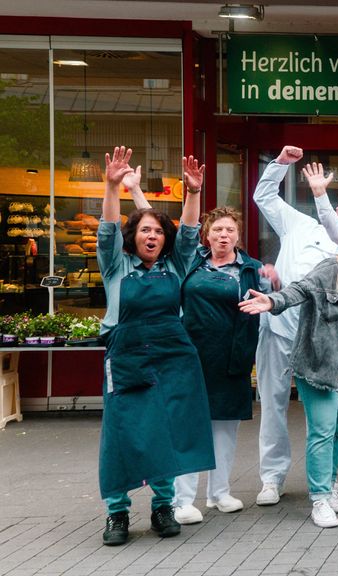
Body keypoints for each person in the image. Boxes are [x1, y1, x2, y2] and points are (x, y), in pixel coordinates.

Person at [96, 147, 213, 546]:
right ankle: (117, 512)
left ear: (166, 240)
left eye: (159, 231)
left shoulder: (175, 266)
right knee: (122, 434)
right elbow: (109, 226)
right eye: (145, 230)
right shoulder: (116, 265)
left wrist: (193, 194)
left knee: (167, 429)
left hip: (172, 359)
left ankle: (164, 506)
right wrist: (112, 186)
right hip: (126, 357)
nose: (152, 235)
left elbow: (191, 234)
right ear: (135, 236)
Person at [240, 219, 338, 528]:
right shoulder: (333, 268)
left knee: (337, 429)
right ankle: (319, 499)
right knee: (321, 430)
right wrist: (273, 301)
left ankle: (329, 485)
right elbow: (300, 289)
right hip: (320, 362)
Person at [253, 146, 338, 508]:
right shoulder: (298, 223)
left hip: (317, 337)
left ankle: (322, 478)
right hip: (278, 328)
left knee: (319, 413)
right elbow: (263, 196)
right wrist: (280, 164)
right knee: (273, 404)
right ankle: (271, 478)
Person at [172, 207, 268, 525]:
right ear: (207, 234)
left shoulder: (252, 270)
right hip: (190, 357)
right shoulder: (190, 260)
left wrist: (274, 282)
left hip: (231, 358)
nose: (223, 235)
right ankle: (182, 499)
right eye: (217, 230)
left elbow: (270, 303)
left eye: (229, 230)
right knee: (188, 427)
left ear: (238, 235)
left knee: (225, 430)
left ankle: (219, 493)